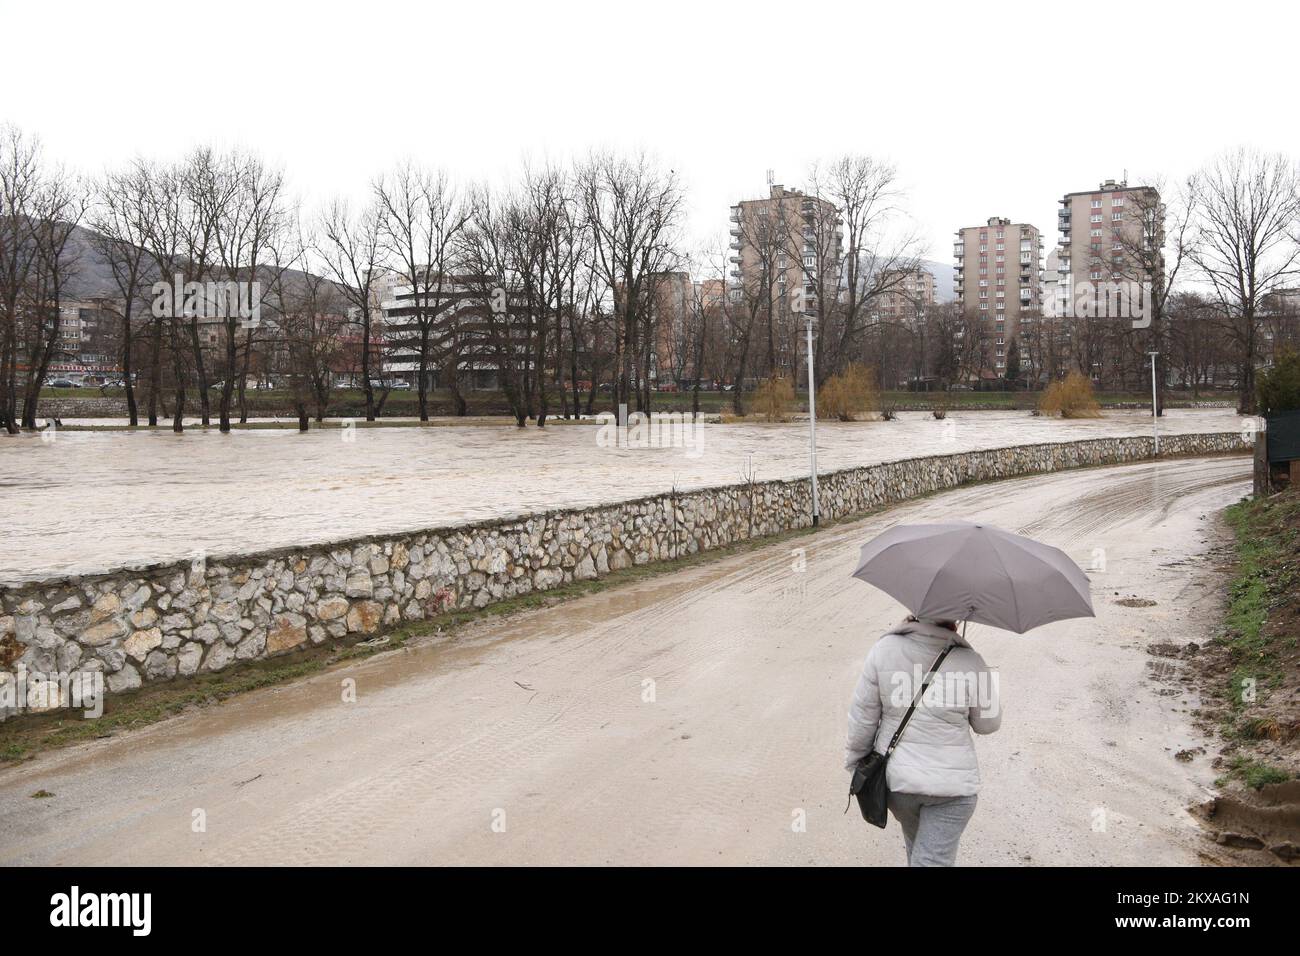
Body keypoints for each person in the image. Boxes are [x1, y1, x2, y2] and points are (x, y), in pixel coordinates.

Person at [845, 615, 1000, 867]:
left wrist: (856, 766)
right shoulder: (972, 661)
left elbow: (862, 718)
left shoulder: (883, 650)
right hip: (953, 790)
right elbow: (989, 724)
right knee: (930, 860)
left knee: (919, 854)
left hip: (900, 785)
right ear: (956, 619)